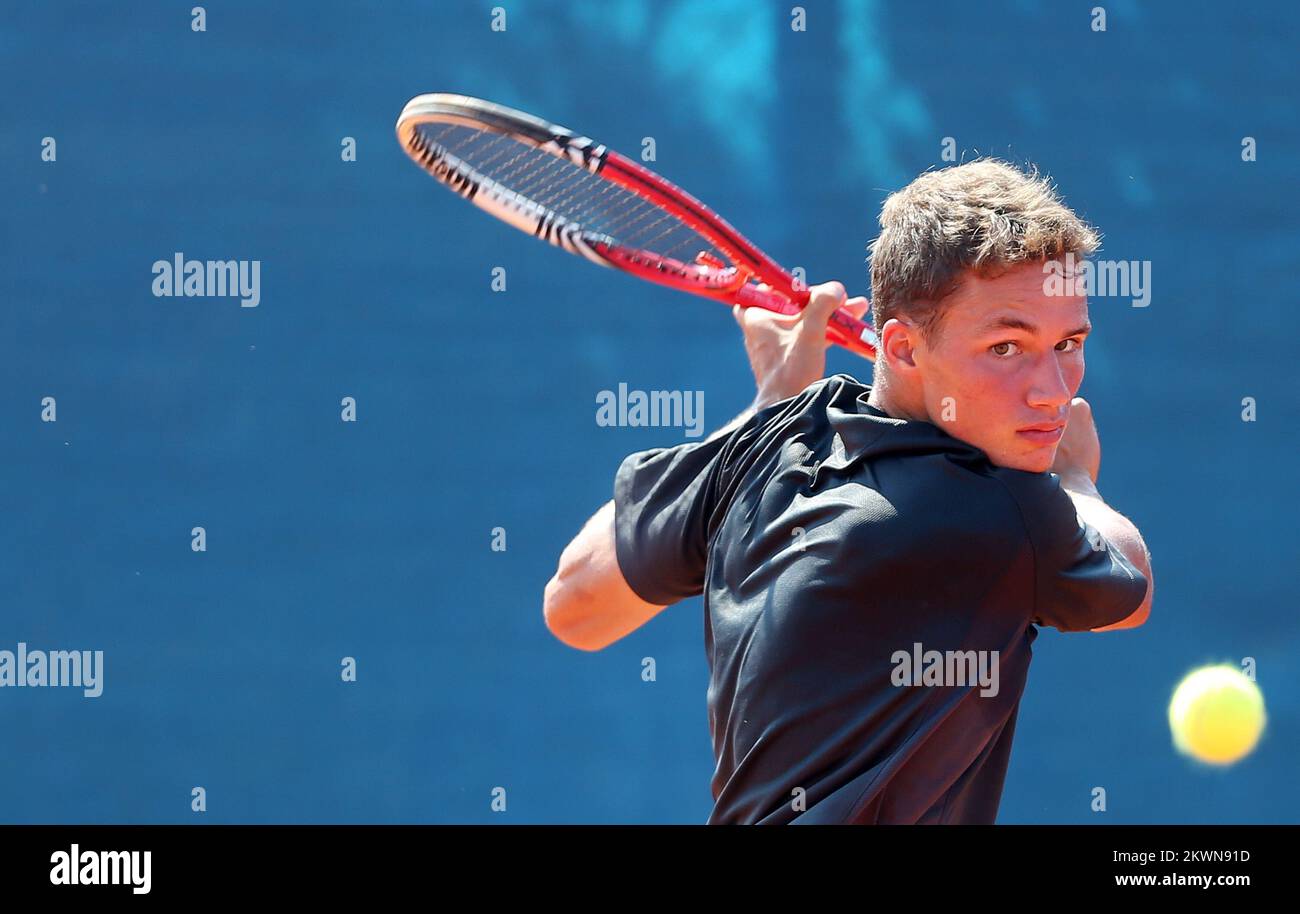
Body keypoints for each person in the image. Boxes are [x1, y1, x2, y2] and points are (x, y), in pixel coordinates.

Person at [542, 159, 1155, 824]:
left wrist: (763, 411)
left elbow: (576, 606)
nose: (1053, 390)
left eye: (1067, 343)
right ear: (904, 348)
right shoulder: (1000, 506)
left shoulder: (772, 445)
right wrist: (1074, 477)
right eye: (1007, 347)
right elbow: (1131, 590)